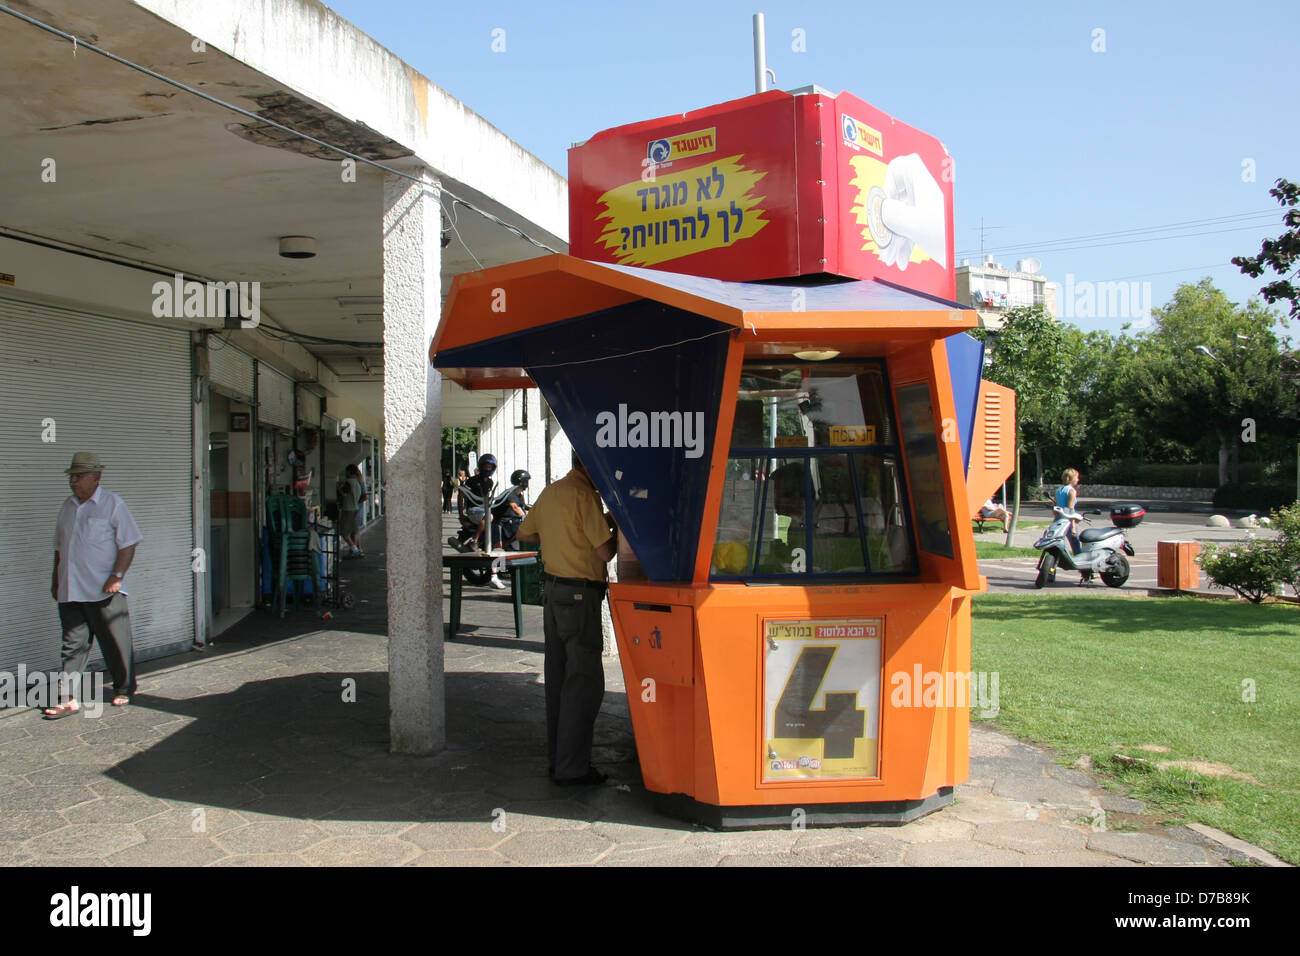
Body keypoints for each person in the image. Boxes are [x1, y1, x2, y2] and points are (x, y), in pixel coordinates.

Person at [516, 451, 617, 786]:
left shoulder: (552, 491)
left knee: (558, 679)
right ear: (587, 463)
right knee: (584, 682)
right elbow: (605, 552)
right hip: (579, 596)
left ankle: (557, 760)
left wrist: (561, 538)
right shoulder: (584, 495)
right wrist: (614, 525)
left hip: (554, 593)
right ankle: (573, 767)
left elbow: (525, 534)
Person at [44, 452, 144, 719]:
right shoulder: (67, 507)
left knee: (114, 641)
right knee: (72, 644)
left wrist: (117, 575)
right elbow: (59, 549)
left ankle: (124, 687)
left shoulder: (113, 504)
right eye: (72, 476)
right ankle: (68, 698)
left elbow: (129, 542)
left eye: (79, 476)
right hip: (70, 588)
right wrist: (56, 579)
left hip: (103, 589)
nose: (73, 481)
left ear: (96, 477)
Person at [338, 463, 367, 558]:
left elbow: (344, 494)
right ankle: (356, 550)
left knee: (344, 531)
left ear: (349, 472)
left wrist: (338, 487)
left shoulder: (348, 482)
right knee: (355, 529)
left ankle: (354, 548)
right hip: (356, 508)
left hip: (348, 509)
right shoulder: (359, 482)